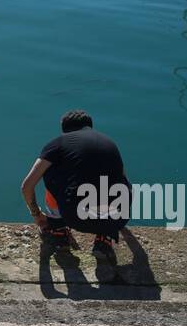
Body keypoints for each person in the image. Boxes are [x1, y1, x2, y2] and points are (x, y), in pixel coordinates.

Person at [20, 109, 130, 261]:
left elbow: (27, 186)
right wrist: (117, 226)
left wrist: (37, 215)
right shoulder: (110, 143)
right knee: (114, 181)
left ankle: (58, 229)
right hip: (118, 217)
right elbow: (125, 182)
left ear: (64, 130)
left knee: (50, 170)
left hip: (76, 216)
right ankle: (105, 238)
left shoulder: (58, 143)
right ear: (90, 127)